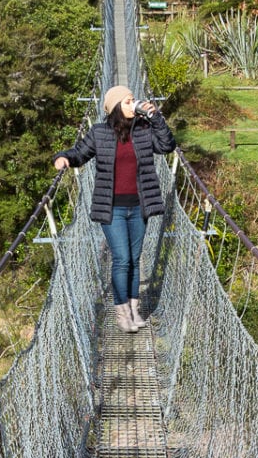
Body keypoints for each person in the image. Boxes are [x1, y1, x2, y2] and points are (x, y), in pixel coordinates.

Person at [54, 85, 176, 332]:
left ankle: (134, 310)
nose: (133, 104)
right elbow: (80, 153)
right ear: (116, 106)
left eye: (134, 99)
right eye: (128, 101)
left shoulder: (143, 130)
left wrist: (155, 117)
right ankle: (122, 314)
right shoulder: (99, 133)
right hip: (112, 209)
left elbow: (167, 145)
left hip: (139, 206)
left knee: (134, 259)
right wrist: (63, 157)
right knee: (122, 259)